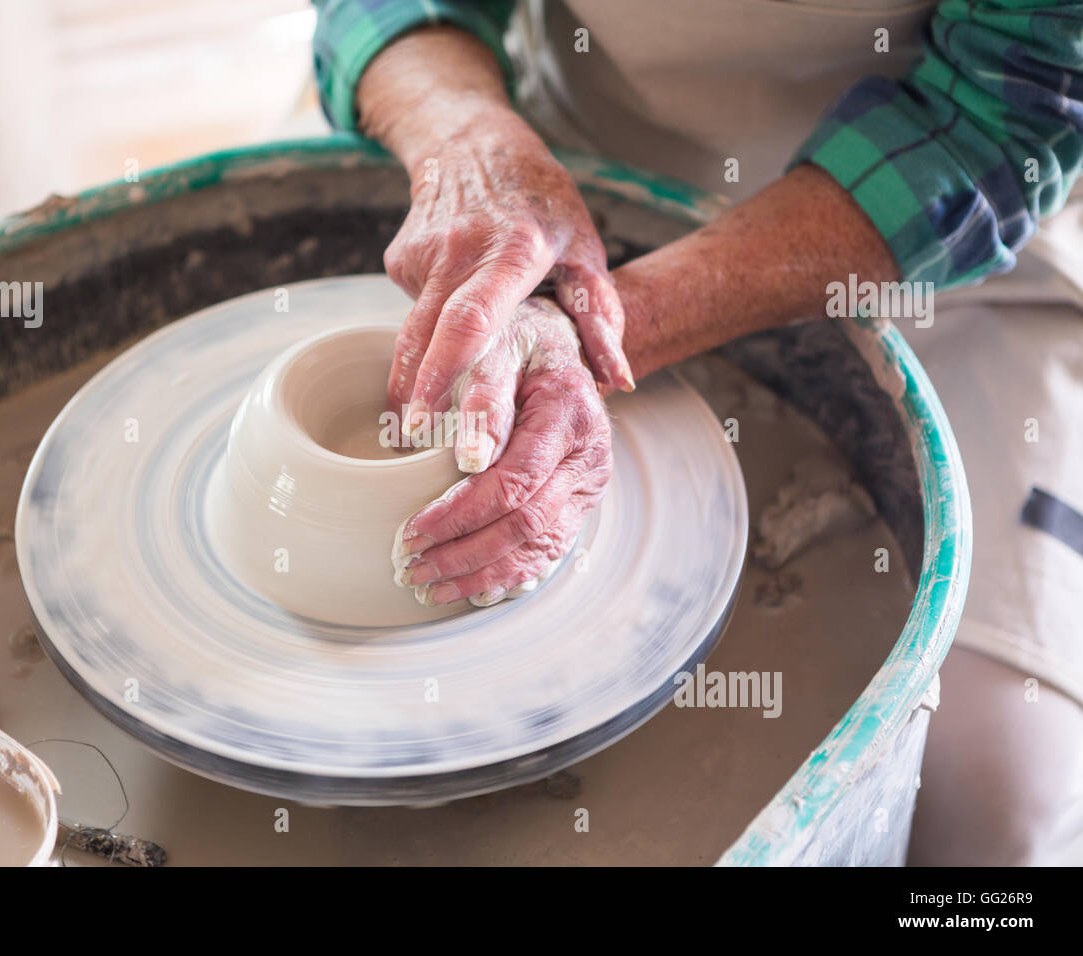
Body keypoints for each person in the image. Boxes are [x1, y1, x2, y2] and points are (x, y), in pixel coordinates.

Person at [311, 0, 1083, 865]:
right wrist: (459, 133)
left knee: (995, 805)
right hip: (557, 161)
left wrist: (599, 329)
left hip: (939, 261)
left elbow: (1001, 115)